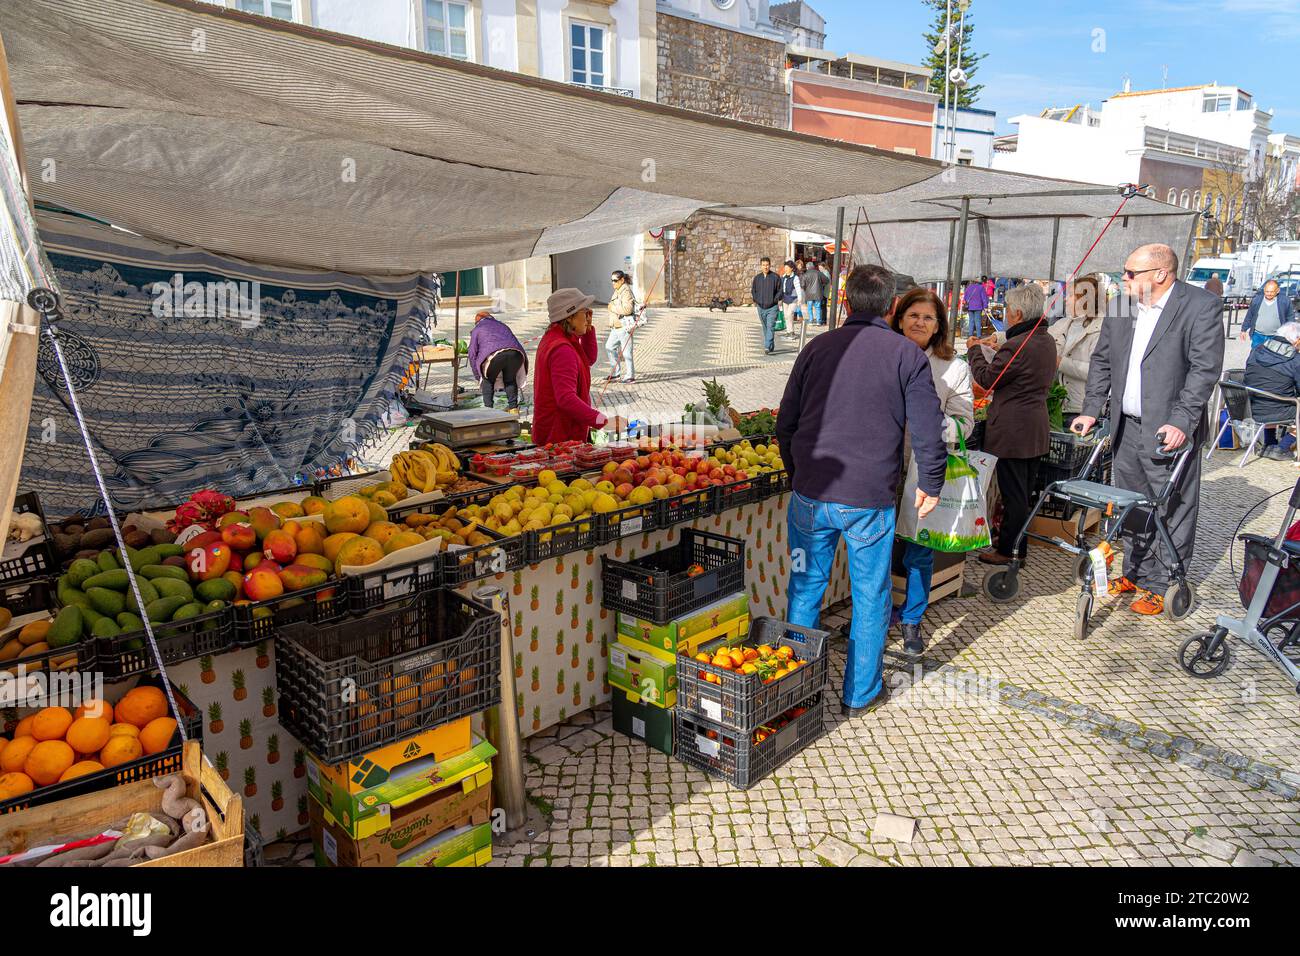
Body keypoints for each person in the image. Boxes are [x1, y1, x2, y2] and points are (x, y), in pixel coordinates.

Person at [776, 265, 946, 715]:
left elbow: (785, 421)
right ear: (892, 307)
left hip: (811, 497)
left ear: (845, 302)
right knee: (870, 595)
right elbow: (929, 429)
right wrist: (931, 482)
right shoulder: (907, 356)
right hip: (868, 501)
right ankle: (860, 693)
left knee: (804, 587)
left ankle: (794, 690)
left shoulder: (816, 347)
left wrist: (797, 474)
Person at [1072, 243, 1224, 615]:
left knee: (1170, 505)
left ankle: (1164, 582)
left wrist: (1181, 421)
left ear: (1160, 274)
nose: (1122, 279)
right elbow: (1102, 361)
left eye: (1130, 273)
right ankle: (1135, 571)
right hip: (1127, 426)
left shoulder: (1199, 306)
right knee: (1130, 501)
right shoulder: (1123, 305)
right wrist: (1092, 410)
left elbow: (1204, 371)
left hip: (1168, 429)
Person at [890, 287, 974, 655]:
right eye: (913, 315)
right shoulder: (885, 354)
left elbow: (964, 422)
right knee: (876, 549)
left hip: (923, 470)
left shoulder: (953, 367)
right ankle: (874, 616)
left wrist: (927, 424)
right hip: (882, 466)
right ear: (900, 319)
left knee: (918, 550)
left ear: (939, 325)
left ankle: (912, 620)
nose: (919, 322)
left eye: (928, 317)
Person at [969, 282, 1057, 566]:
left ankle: (1009, 550)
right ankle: (1016, 542)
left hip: (1013, 430)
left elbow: (987, 379)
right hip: (1034, 427)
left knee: (1014, 494)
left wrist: (973, 350)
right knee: (1024, 491)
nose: (1005, 313)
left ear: (1017, 314)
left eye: (1008, 309)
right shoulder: (1044, 339)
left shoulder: (1019, 346)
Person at [532, 289, 616, 444]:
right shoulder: (562, 348)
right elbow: (565, 398)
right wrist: (601, 421)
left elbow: (587, 359)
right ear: (570, 317)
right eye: (584, 312)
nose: (588, 316)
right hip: (560, 436)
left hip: (557, 432)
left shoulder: (558, 337)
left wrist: (588, 330)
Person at [1048, 274, 1105, 417]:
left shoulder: (1101, 328)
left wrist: (1061, 363)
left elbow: (1099, 372)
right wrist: (997, 338)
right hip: (1059, 406)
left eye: (1072, 295)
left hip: (1083, 410)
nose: (1066, 299)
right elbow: (1037, 338)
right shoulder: (1064, 323)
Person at [1242, 320, 1300, 461]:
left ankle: (1269, 443)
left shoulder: (1257, 350)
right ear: (1297, 341)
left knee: (1273, 396)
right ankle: (1282, 447)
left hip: (1251, 406)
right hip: (1277, 409)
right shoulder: (1295, 359)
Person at [467, 309, 527, 411]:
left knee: (488, 380)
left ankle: (489, 411)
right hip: (516, 353)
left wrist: (478, 375)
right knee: (510, 380)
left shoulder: (477, 329)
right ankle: (513, 409)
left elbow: (472, 354)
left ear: (477, 322)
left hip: (495, 355)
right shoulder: (502, 325)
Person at [605, 270, 638, 384]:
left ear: (622, 280)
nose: (613, 283)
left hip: (624, 326)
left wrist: (612, 308)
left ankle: (630, 376)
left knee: (626, 352)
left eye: (615, 280)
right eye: (612, 280)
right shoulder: (618, 290)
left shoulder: (626, 291)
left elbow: (627, 309)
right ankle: (616, 373)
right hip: (616, 326)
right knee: (609, 347)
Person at [1241, 279, 1294, 349]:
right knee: (1256, 356)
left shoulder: (1285, 301)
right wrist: (1243, 330)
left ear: (1277, 291)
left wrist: (1291, 333)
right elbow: (1249, 315)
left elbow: (1290, 317)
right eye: (1267, 291)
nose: (1269, 294)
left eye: (1272, 292)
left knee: (1273, 358)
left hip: (1276, 336)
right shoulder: (1256, 300)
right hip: (1258, 335)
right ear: (1264, 290)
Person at [751, 257, 782, 354]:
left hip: (772, 307)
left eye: (767, 265)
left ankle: (767, 346)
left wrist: (775, 300)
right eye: (763, 265)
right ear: (761, 266)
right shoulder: (757, 278)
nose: (765, 267)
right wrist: (757, 300)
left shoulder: (775, 277)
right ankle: (770, 345)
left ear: (770, 265)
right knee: (765, 327)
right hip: (760, 307)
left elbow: (780, 291)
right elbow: (753, 291)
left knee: (770, 326)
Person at [779, 260, 804, 339]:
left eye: (787, 267)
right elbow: (781, 288)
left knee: (790, 314)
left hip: (793, 299)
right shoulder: (783, 277)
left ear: (792, 268)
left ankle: (792, 332)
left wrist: (800, 298)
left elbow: (798, 288)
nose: (785, 269)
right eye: (785, 267)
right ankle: (788, 331)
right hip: (785, 299)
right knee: (786, 316)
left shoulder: (795, 277)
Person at [801, 255, 826, 327]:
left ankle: (811, 321)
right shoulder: (818, 273)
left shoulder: (805, 275)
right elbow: (826, 280)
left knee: (809, 308)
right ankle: (818, 321)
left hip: (809, 294)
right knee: (818, 308)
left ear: (807, 267)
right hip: (818, 293)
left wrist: (806, 289)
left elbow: (802, 285)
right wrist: (821, 285)